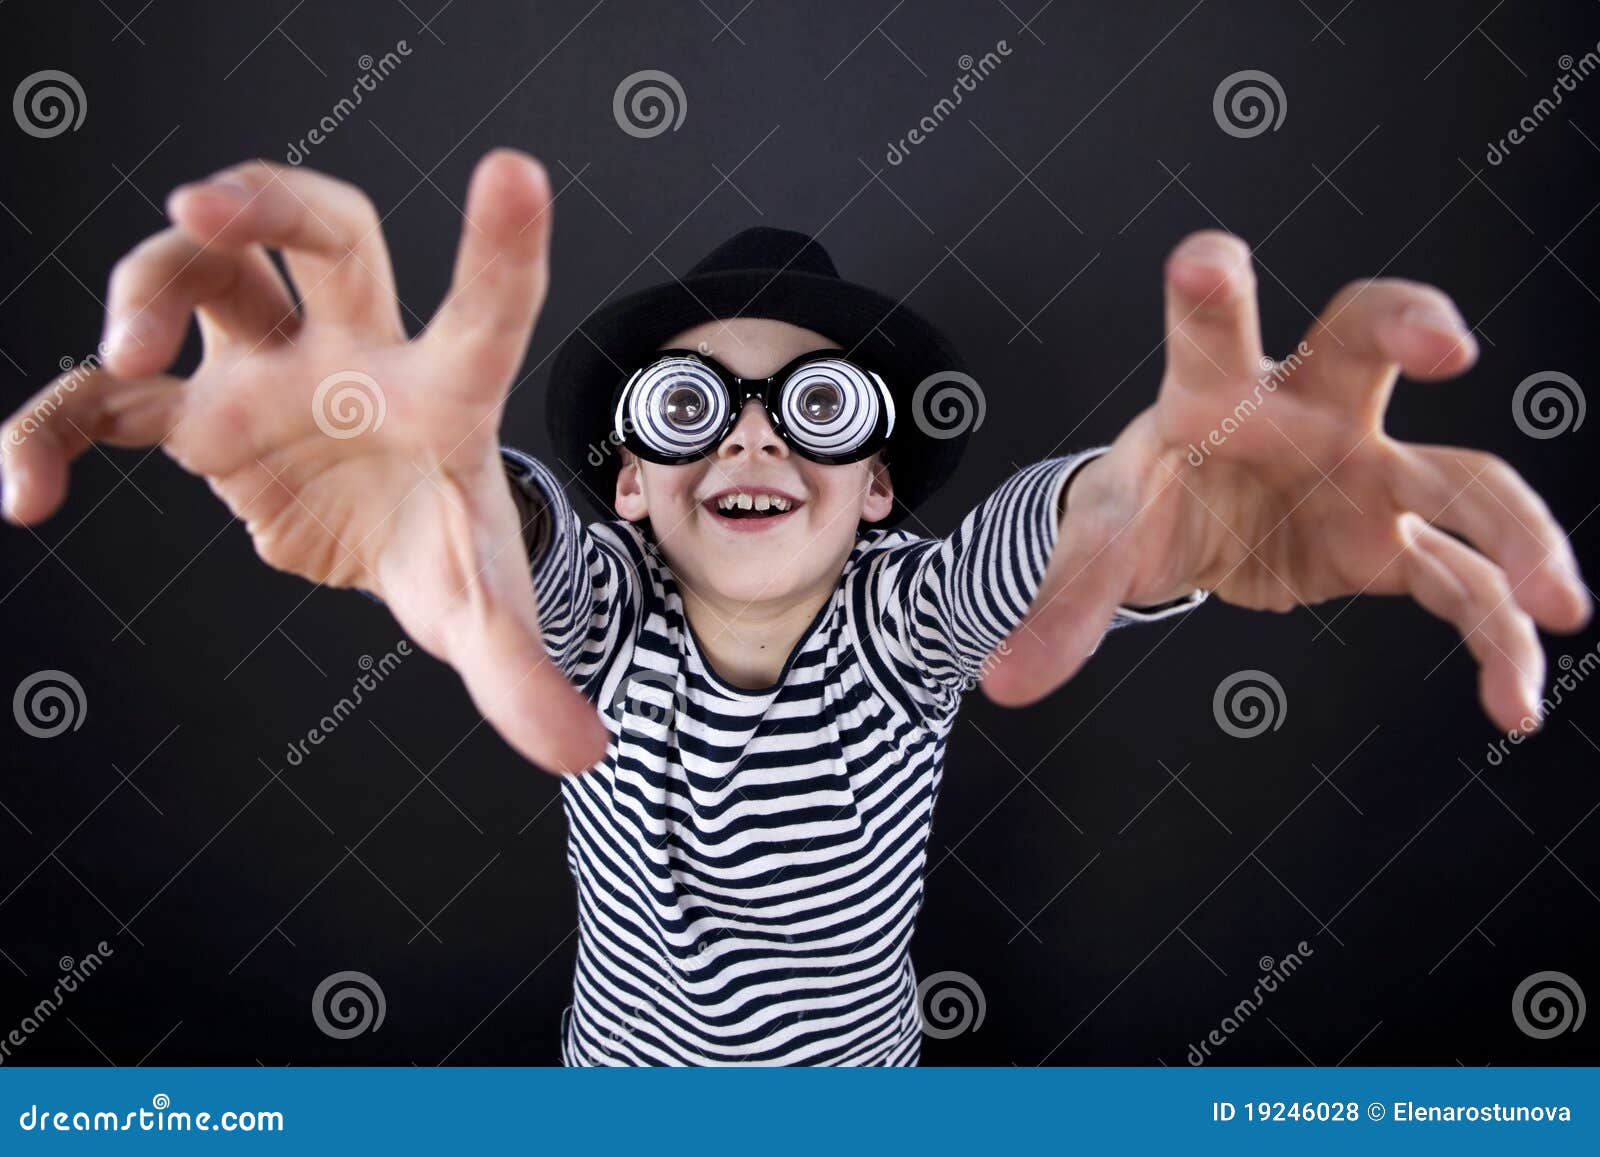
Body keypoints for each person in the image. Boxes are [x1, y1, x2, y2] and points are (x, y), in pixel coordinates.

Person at [1, 150, 1588, 1065]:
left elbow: (1082, 523)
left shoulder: (904, 619)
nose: (754, 439)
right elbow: (502, 540)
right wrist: (421, 490)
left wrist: (1175, 489)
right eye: (694, 410)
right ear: (631, 483)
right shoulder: (598, 608)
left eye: (813, 409)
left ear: (880, 484)